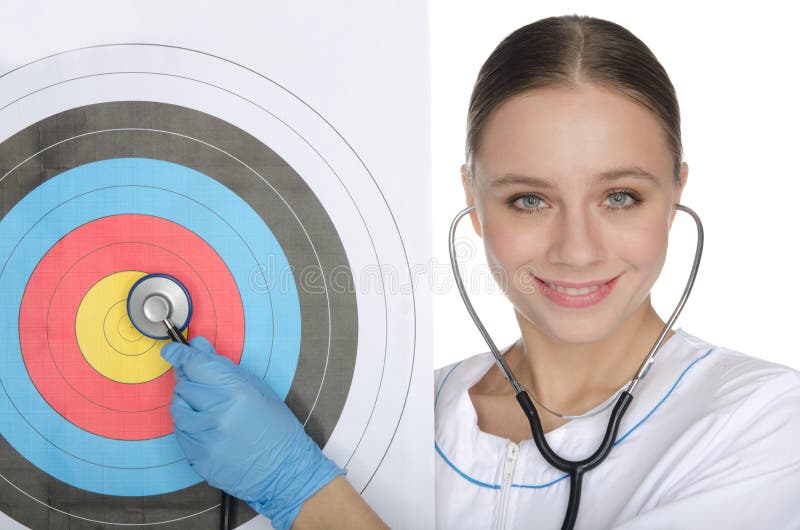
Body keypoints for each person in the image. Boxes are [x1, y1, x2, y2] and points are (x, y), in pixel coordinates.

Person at [160, 15, 800, 530]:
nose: (577, 250)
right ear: (472, 198)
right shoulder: (389, 416)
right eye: (529, 199)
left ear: (676, 190)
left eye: (620, 196)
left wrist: (302, 496)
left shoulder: (763, 423)